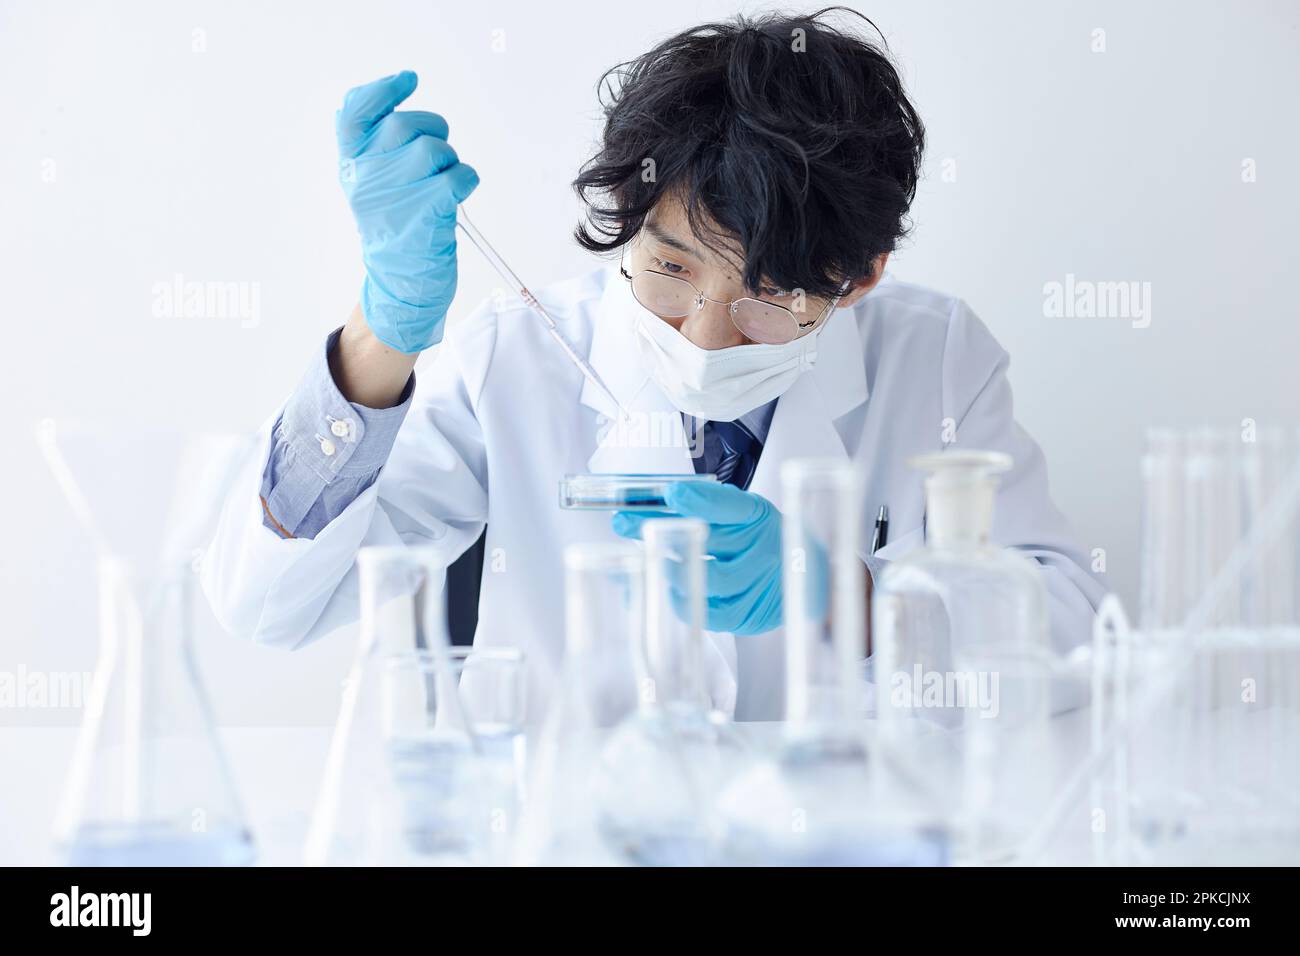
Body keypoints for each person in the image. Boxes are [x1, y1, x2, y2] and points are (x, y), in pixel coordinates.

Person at [202, 9, 1104, 721]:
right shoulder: (511, 358)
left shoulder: (936, 359)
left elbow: (1076, 634)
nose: (704, 336)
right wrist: (382, 332)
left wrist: (850, 598)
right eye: (670, 268)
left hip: (825, 831)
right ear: (628, 223)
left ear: (859, 278)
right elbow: (268, 609)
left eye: (770, 297)